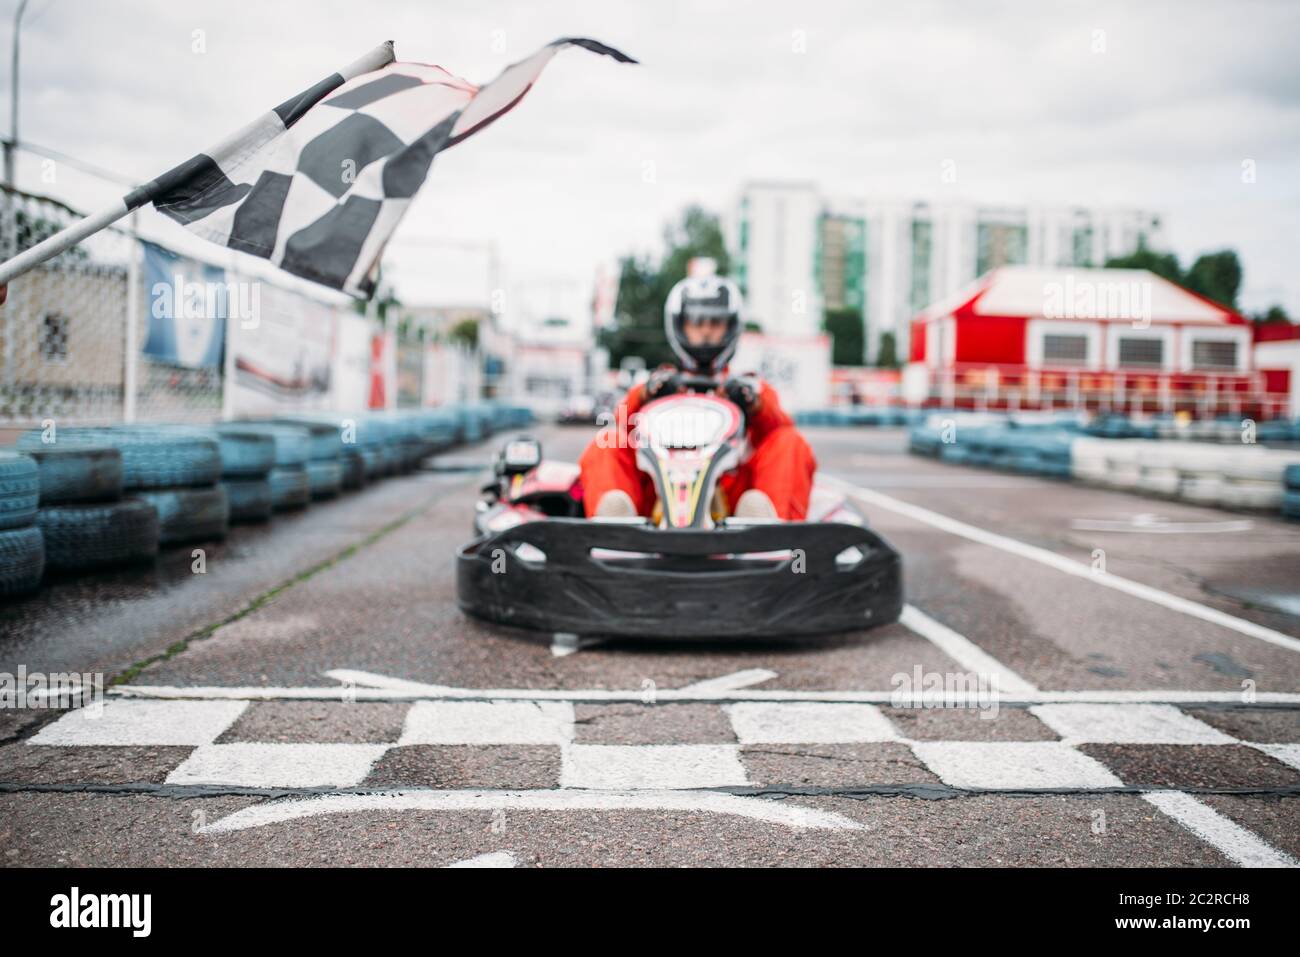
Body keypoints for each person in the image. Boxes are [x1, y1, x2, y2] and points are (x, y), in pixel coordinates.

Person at [579, 275, 816, 521]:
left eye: (715, 323)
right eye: (696, 322)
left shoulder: (750, 387)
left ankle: (770, 531)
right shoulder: (657, 383)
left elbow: (779, 429)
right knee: (608, 440)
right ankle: (614, 527)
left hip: (730, 493)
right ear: (680, 326)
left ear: (731, 327)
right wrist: (644, 396)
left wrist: (754, 405)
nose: (705, 331)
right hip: (659, 491)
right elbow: (621, 422)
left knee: (790, 441)